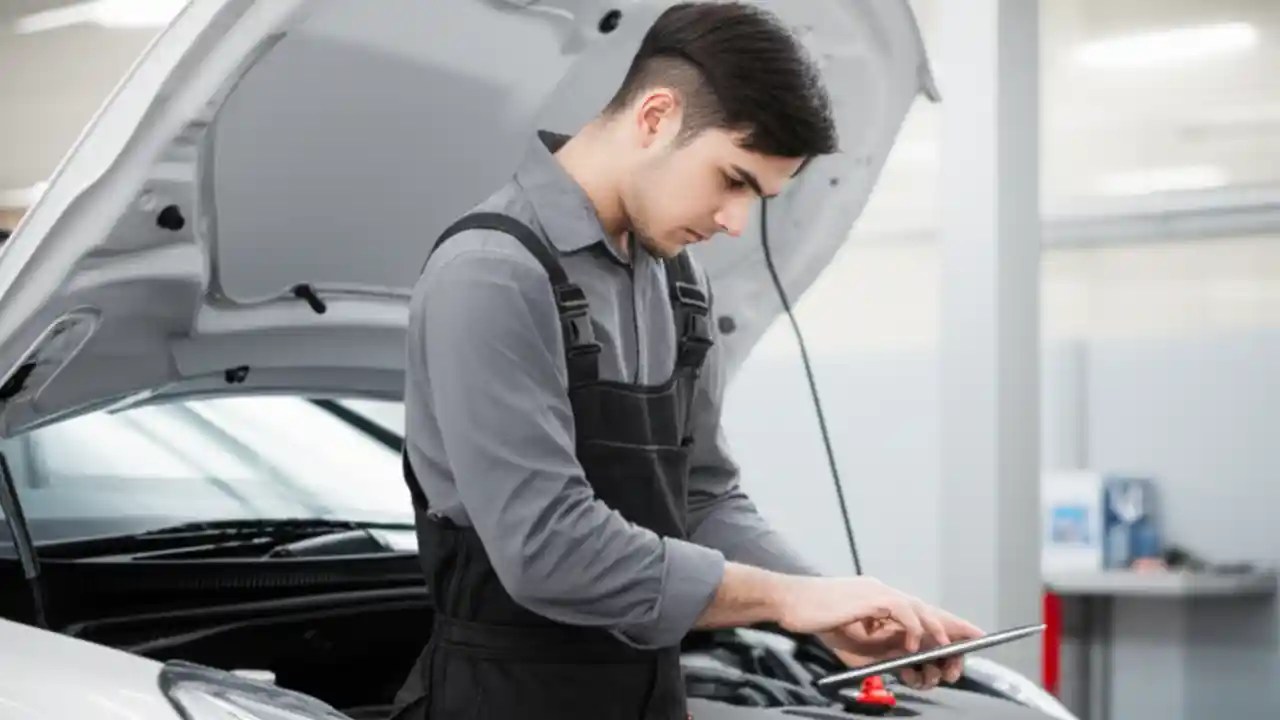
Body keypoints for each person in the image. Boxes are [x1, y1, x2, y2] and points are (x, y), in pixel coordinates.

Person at [394, 3, 983, 719]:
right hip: (506, 699)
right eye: (732, 180)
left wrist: (835, 605)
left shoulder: (678, 282)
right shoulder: (491, 272)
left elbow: (702, 497)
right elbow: (547, 547)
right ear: (656, 117)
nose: (736, 222)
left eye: (757, 198)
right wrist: (787, 600)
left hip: (650, 694)